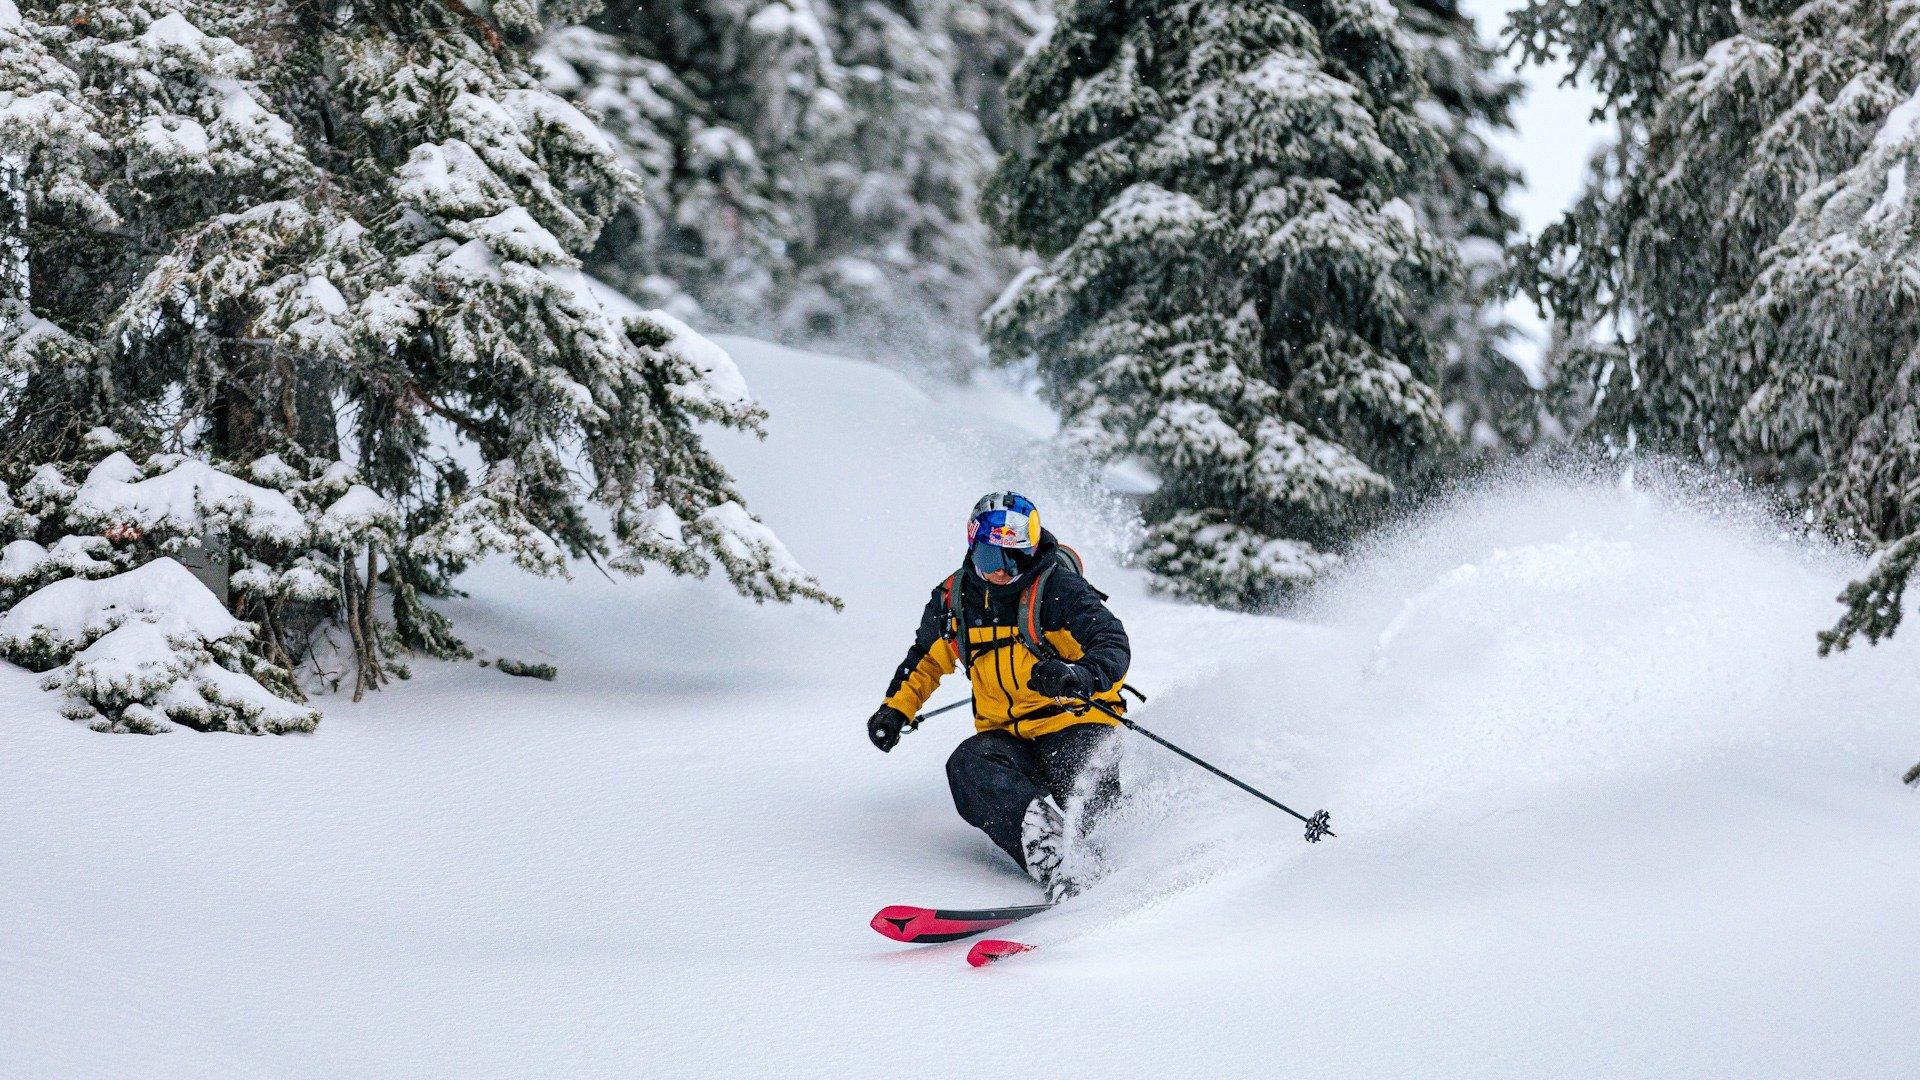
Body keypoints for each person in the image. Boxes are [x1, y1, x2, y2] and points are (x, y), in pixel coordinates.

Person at [866, 491, 1131, 901]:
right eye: (993, 559)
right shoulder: (955, 601)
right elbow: (926, 658)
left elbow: (1111, 643)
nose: (1006, 572)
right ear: (973, 549)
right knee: (968, 765)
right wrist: (894, 710)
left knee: (1085, 785)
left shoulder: (1058, 589)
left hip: (1075, 724)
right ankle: (1058, 864)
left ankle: (1114, 858)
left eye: (1017, 558)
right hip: (1009, 738)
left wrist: (1078, 674)